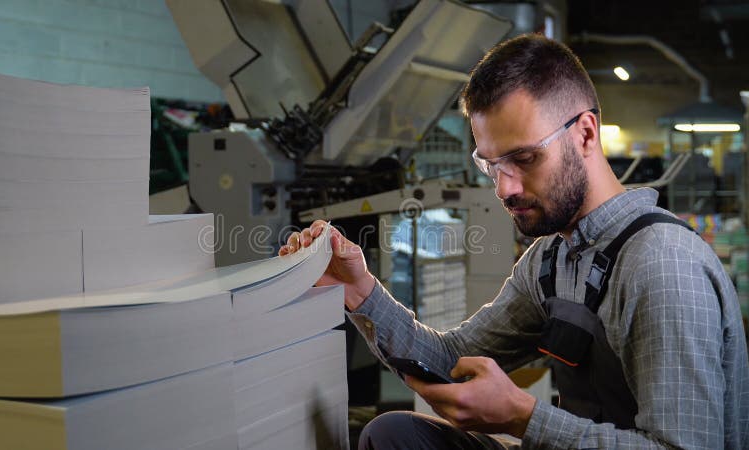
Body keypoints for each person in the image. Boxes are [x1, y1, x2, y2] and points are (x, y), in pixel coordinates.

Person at [280, 34, 749, 449]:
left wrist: (524, 418)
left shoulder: (662, 266)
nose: (504, 188)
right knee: (393, 434)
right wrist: (359, 291)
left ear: (586, 133)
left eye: (524, 158)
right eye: (492, 165)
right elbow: (450, 360)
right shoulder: (551, 259)